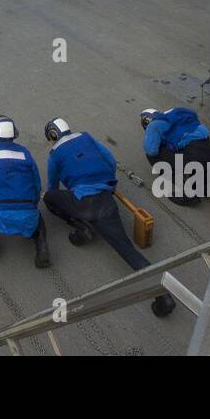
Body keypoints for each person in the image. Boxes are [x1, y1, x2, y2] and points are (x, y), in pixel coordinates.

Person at [43, 117, 175, 317]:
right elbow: (111, 160)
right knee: (127, 249)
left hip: (81, 203)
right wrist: (107, 184)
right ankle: (163, 295)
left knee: (50, 197)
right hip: (106, 202)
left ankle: (81, 227)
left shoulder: (54, 154)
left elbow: (53, 185)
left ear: (52, 135)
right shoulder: (87, 137)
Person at [0, 116, 50, 268]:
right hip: (28, 219)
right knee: (39, 220)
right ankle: (42, 246)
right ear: (15, 133)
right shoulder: (26, 154)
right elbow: (37, 185)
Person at [140, 107, 210, 206]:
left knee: (153, 157)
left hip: (195, 157)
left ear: (147, 120)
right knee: (200, 185)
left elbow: (151, 151)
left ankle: (188, 195)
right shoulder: (177, 116)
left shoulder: (154, 125)